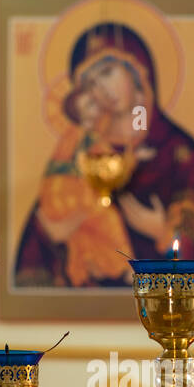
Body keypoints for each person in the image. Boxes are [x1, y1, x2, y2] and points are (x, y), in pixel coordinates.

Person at [15, 22, 194, 286]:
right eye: (90, 83)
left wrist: (165, 234)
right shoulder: (82, 156)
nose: (101, 88)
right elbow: (36, 252)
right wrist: (52, 232)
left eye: (108, 72)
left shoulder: (181, 154)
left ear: (138, 71)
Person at [35, 84, 133, 286]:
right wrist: (131, 160)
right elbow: (109, 165)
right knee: (110, 219)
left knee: (85, 235)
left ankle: (90, 262)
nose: (97, 108)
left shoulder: (73, 135)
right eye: (90, 105)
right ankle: (123, 266)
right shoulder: (86, 137)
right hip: (73, 196)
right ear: (80, 113)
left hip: (68, 196)